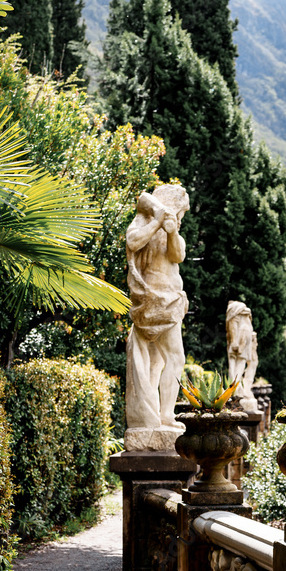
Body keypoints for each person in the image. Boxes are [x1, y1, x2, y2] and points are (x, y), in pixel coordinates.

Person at [125, 184, 189, 449]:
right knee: (175, 357)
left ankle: (150, 415)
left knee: (155, 362)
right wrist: (158, 222)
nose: (181, 218)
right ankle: (164, 415)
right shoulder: (142, 224)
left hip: (168, 300)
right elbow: (133, 242)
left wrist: (171, 230)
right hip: (156, 301)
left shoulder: (171, 229)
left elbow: (178, 255)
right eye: (181, 212)